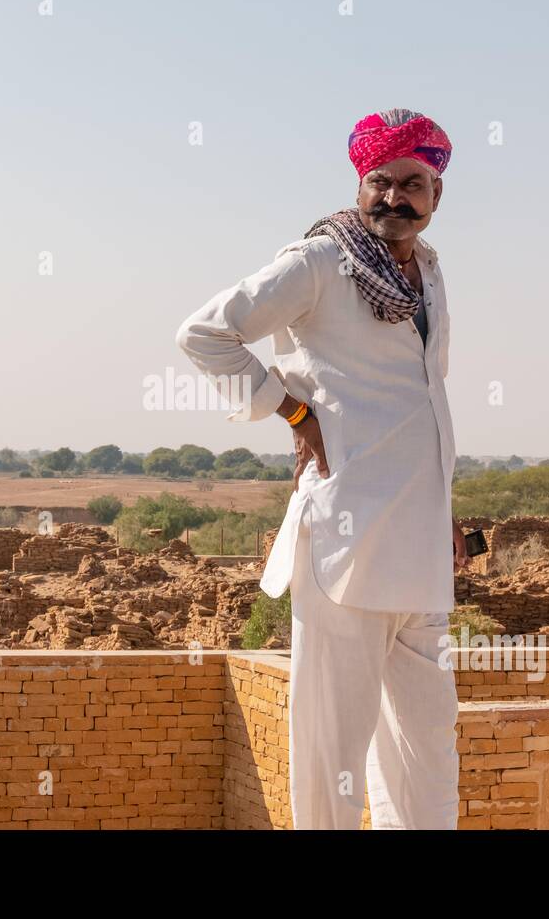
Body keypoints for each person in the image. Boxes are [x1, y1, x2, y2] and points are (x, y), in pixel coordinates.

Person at [175, 108, 467, 829]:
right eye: (381, 181)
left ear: (436, 196)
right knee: (331, 752)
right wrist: (292, 413)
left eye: (414, 184)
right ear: (359, 183)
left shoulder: (428, 273)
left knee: (427, 750)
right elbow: (205, 333)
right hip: (347, 540)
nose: (395, 197)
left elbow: (422, 404)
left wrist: (445, 510)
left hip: (421, 550)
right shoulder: (318, 263)